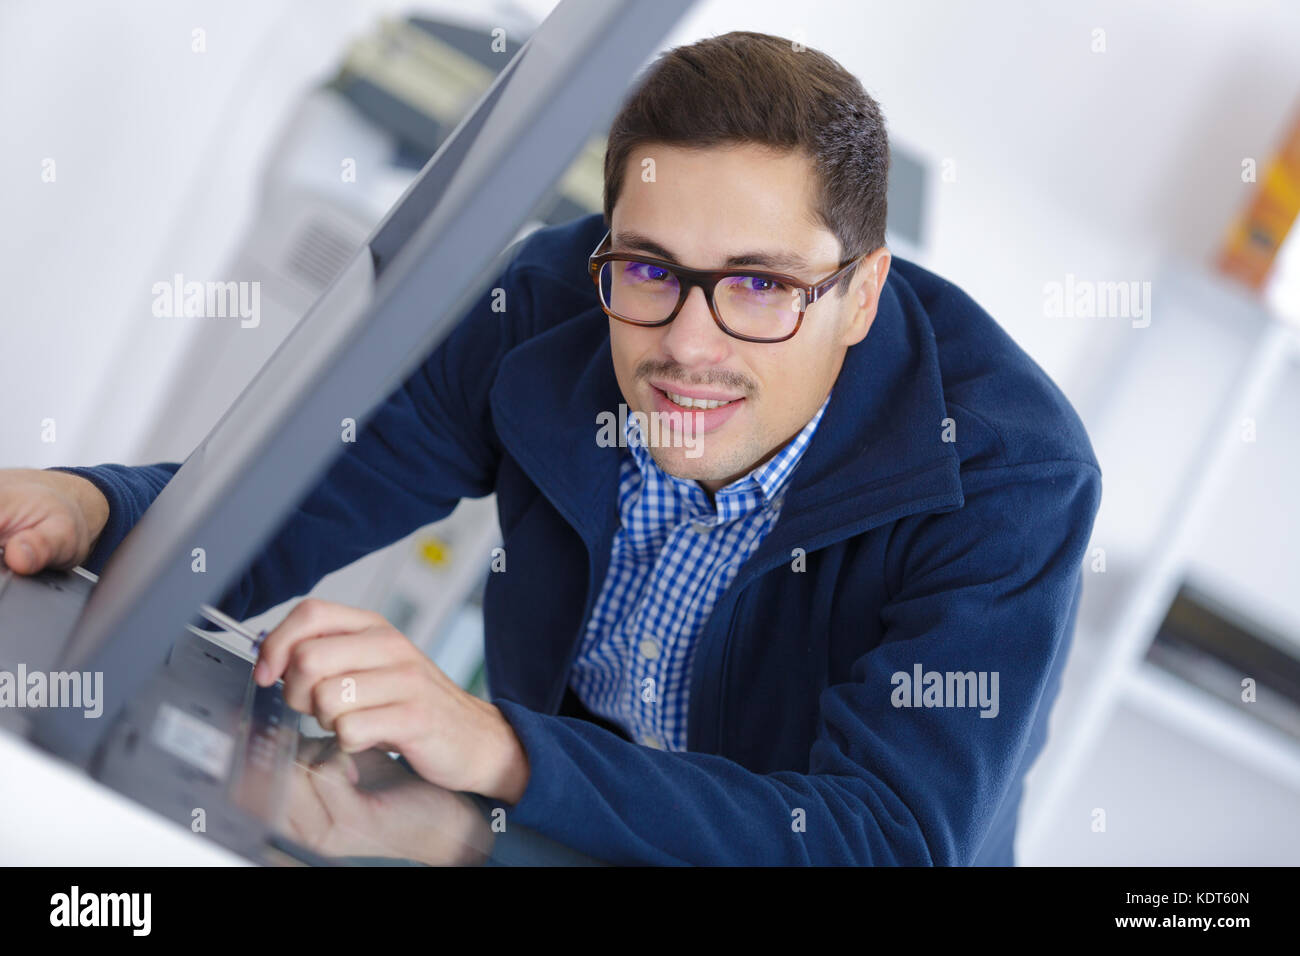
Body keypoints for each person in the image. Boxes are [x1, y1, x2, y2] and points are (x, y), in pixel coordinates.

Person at [0, 31, 1101, 865]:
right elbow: (293, 504)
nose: (684, 342)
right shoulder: (547, 300)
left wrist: (502, 747)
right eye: (647, 267)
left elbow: (885, 838)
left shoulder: (1010, 472)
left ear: (861, 292)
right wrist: (92, 505)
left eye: (761, 285)